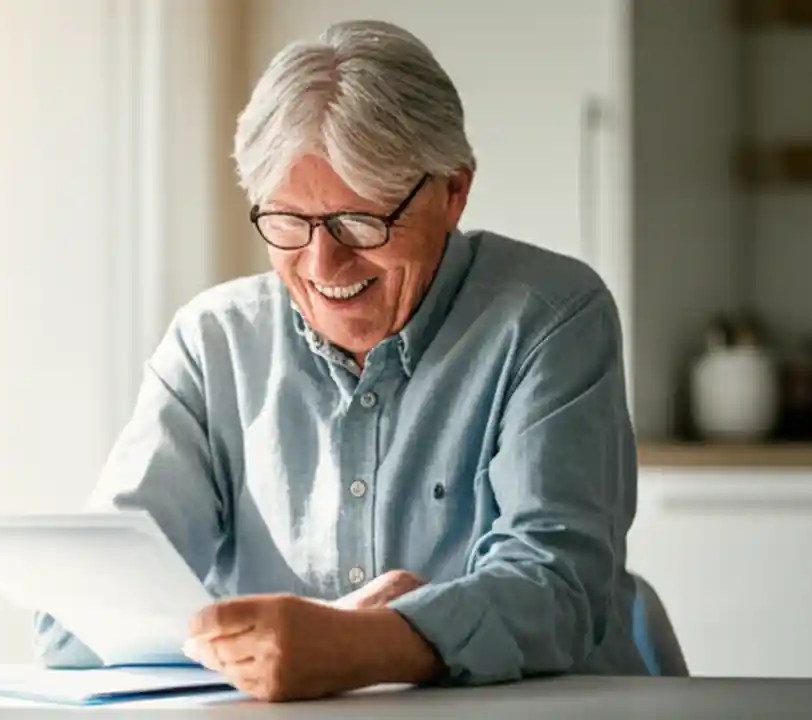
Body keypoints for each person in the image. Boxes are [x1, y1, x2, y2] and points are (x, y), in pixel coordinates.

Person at [35, 19, 646, 701]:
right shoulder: (212, 344)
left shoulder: (550, 315)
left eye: (362, 221)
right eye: (288, 223)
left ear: (453, 192)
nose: (324, 264)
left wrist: (367, 644)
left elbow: (557, 587)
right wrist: (292, 638)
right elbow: (79, 621)